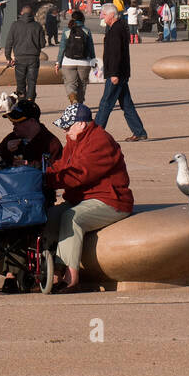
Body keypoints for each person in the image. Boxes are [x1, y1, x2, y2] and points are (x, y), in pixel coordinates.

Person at [43, 103, 133, 291]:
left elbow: (79, 175)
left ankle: (71, 277)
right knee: (49, 217)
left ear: (82, 124)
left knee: (72, 218)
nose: (65, 131)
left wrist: (47, 179)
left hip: (111, 200)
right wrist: (41, 174)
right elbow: (61, 166)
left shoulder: (100, 141)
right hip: (82, 199)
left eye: (68, 126)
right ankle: (53, 271)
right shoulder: (74, 140)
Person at [94, 3, 148, 142]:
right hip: (120, 72)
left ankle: (95, 133)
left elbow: (116, 54)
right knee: (126, 104)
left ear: (111, 15)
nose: (102, 16)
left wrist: (114, 74)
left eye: (104, 14)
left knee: (106, 103)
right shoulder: (115, 28)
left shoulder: (116, 30)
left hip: (117, 73)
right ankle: (139, 132)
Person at [4, 4, 46, 102]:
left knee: (20, 83)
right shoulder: (37, 25)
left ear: (21, 13)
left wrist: (8, 57)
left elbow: (9, 42)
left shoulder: (15, 25)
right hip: (33, 58)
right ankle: (30, 101)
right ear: (32, 14)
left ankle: (22, 102)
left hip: (20, 58)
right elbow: (43, 44)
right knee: (32, 82)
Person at [55, 9, 95, 104]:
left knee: (69, 83)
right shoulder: (86, 31)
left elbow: (62, 48)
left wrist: (58, 62)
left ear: (72, 19)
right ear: (83, 19)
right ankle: (80, 105)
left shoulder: (67, 31)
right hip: (84, 62)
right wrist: (93, 62)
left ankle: (73, 98)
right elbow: (91, 48)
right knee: (82, 85)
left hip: (68, 62)